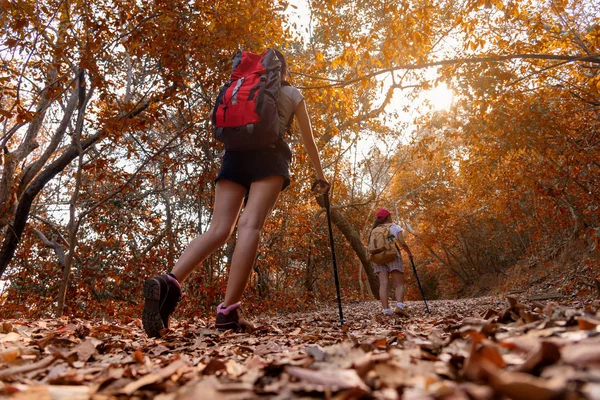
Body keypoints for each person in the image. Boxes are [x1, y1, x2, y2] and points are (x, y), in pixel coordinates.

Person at [142, 49, 329, 337]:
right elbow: (309, 139)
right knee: (250, 225)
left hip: (233, 157)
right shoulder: (291, 93)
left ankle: (169, 282)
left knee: (218, 229)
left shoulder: (239, 87)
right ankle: (228, 313)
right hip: (270, 158)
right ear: (282, 70)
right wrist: (320, 176)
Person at [370, 208, 413, 317]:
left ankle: (386, 311)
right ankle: (399, 307)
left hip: (378, 257)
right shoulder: (394, 227)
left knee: (383, 284)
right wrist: (409, 253)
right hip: (392, 256)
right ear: (388, 217)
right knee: (398, 284)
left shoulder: (375, 230)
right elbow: (402, 242)